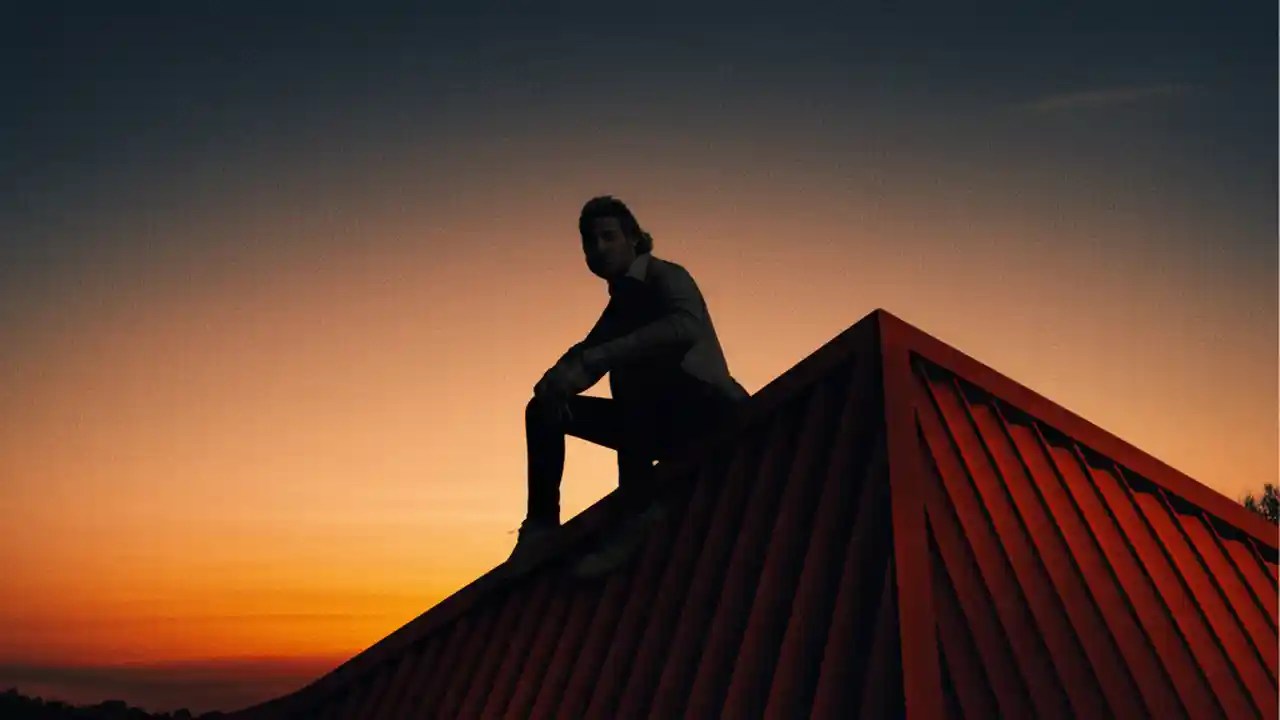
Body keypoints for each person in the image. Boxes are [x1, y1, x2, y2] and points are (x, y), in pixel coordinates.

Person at [510, 195, 749, 575]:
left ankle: (637, 513)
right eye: (590, 242)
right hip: (651, 424)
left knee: (636, 369)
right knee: (543, 410)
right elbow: (588, 353)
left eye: (608, 237)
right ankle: (541, 527)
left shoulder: (667, 276)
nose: (598, 248)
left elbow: (685, 326)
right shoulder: (620, 307)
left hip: (708, 413)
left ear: (634, 239)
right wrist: (557, 380)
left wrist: (599, 357)